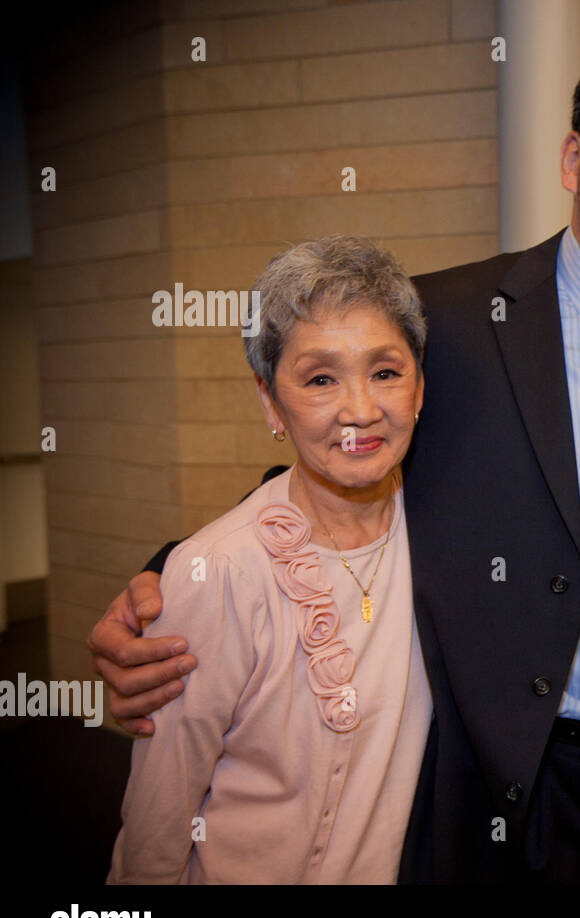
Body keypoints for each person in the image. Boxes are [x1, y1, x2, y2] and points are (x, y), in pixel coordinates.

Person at [89, 34, 580, 884]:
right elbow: (345, 452)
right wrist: (171, 585)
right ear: (573, 156)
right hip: (512, 788)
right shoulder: (452, 322)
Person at [108, 235, 430, 882]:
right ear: (269, 401)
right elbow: (158, 823)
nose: (360, 410)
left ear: (420, 387)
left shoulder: (449, 534)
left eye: (386, 372)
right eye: (319, 379)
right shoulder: (221, 573)